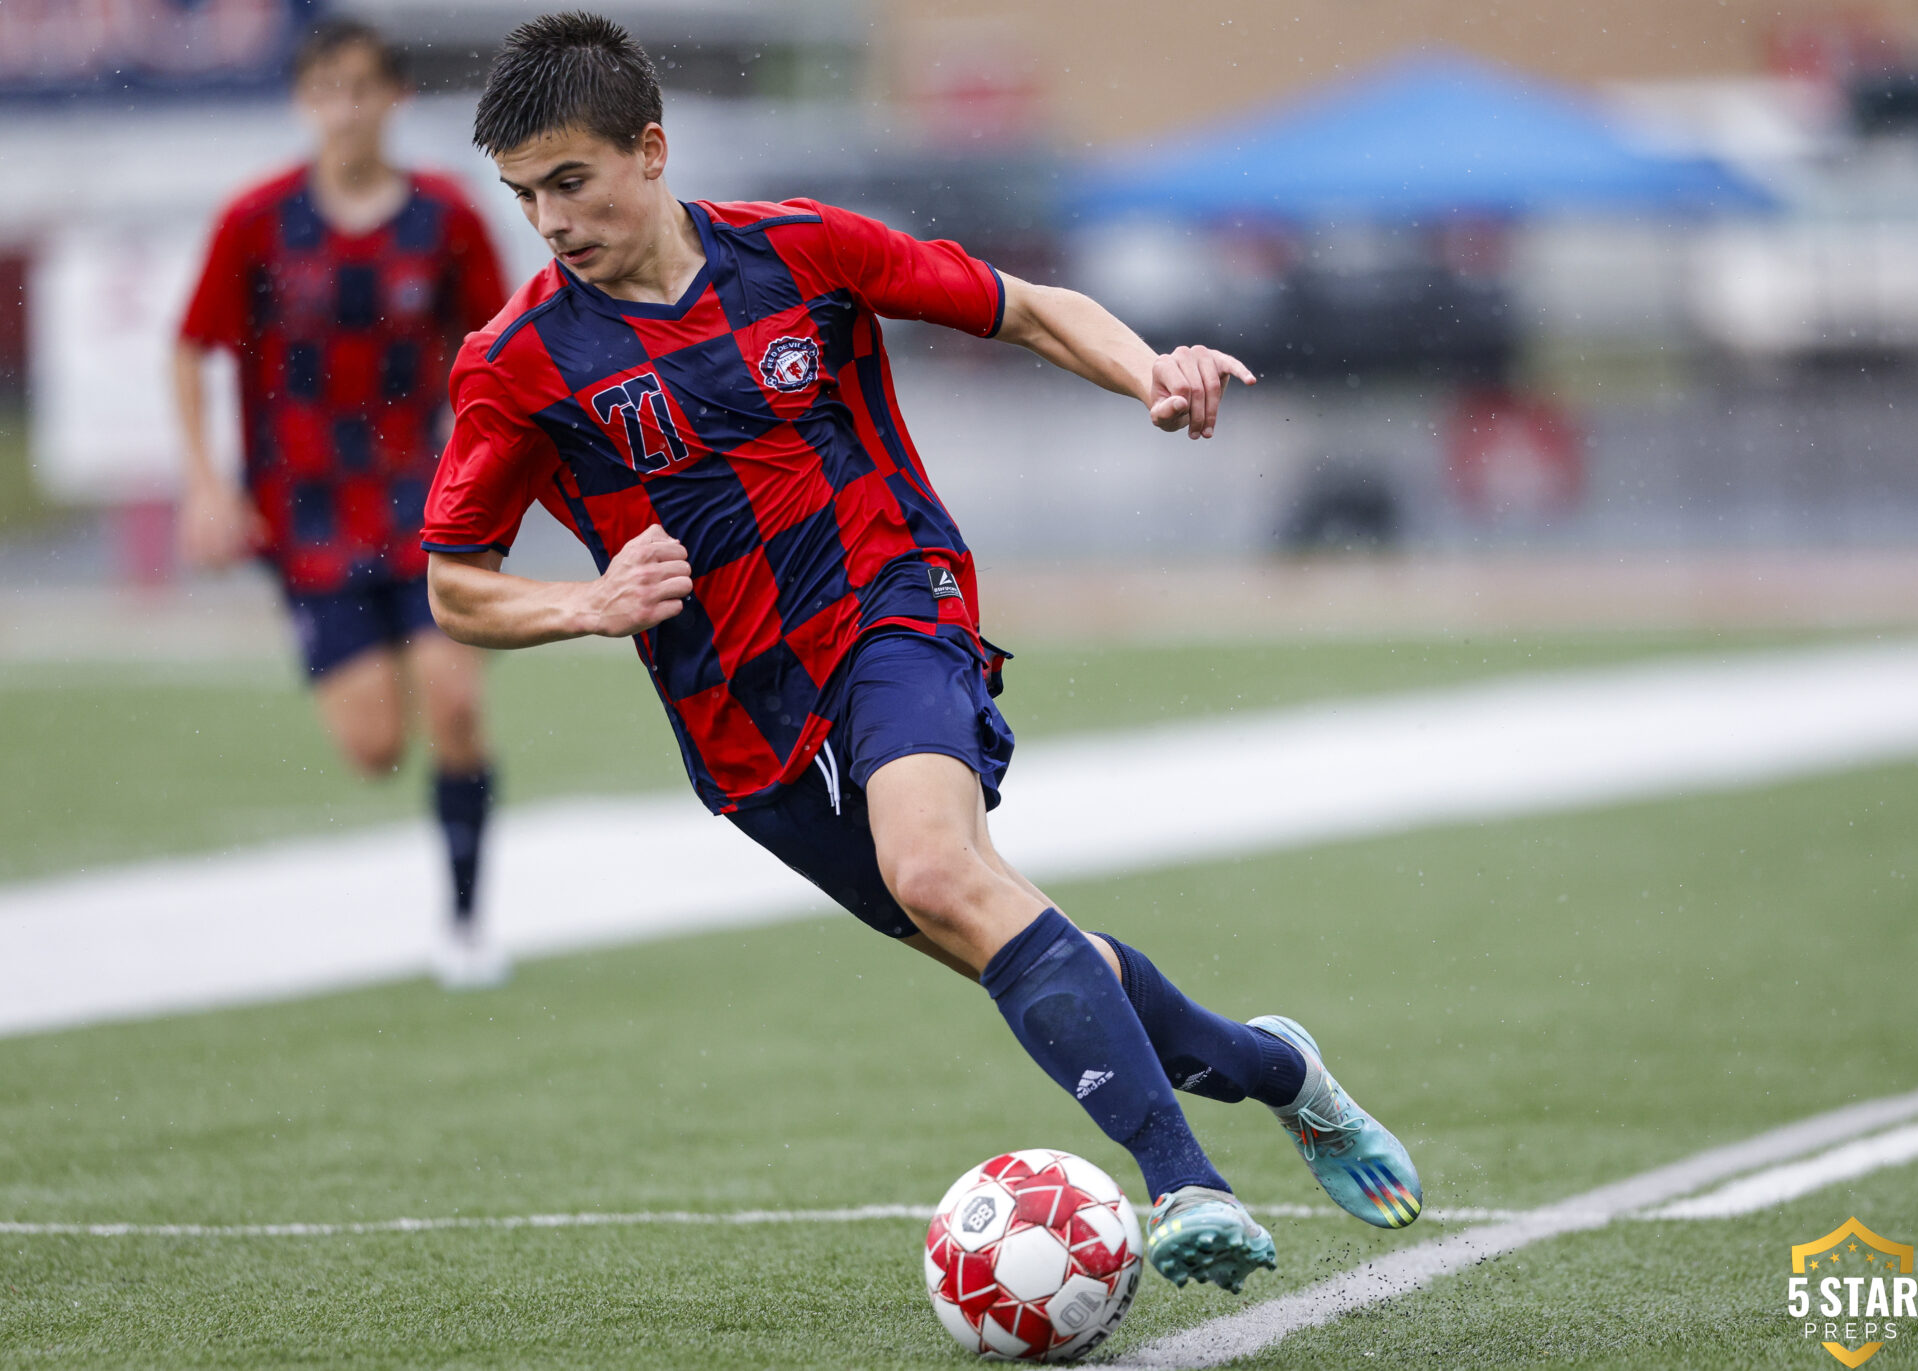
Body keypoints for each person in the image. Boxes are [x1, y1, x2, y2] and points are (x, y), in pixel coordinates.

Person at [423, 12, 1422, 1293]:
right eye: (524, 197)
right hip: (742, 724)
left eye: (571, 181)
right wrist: (585, 604)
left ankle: (1183, 1183)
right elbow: (455, 585)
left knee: (942, 872)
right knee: (1000, 926)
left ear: (651, 149)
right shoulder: (516, 364)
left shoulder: (802, 252)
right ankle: (1283, 1072)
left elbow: (1028, 308)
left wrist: (1148, 372)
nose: (550, 220)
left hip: (893, 605)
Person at [174, 20, 512, 988]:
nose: (347, 106)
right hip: (306, 512)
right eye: (328, 87)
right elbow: (189, 346)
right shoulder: (258, 221)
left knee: (454, 703)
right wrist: (206, 484)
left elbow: (497, 348)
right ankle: (381, 665)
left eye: (364, 87)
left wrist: (498, 465)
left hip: (422, 500)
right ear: (304, 100)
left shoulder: (443, 218)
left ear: (395, 98)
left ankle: (465, 923)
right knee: (372, 749)